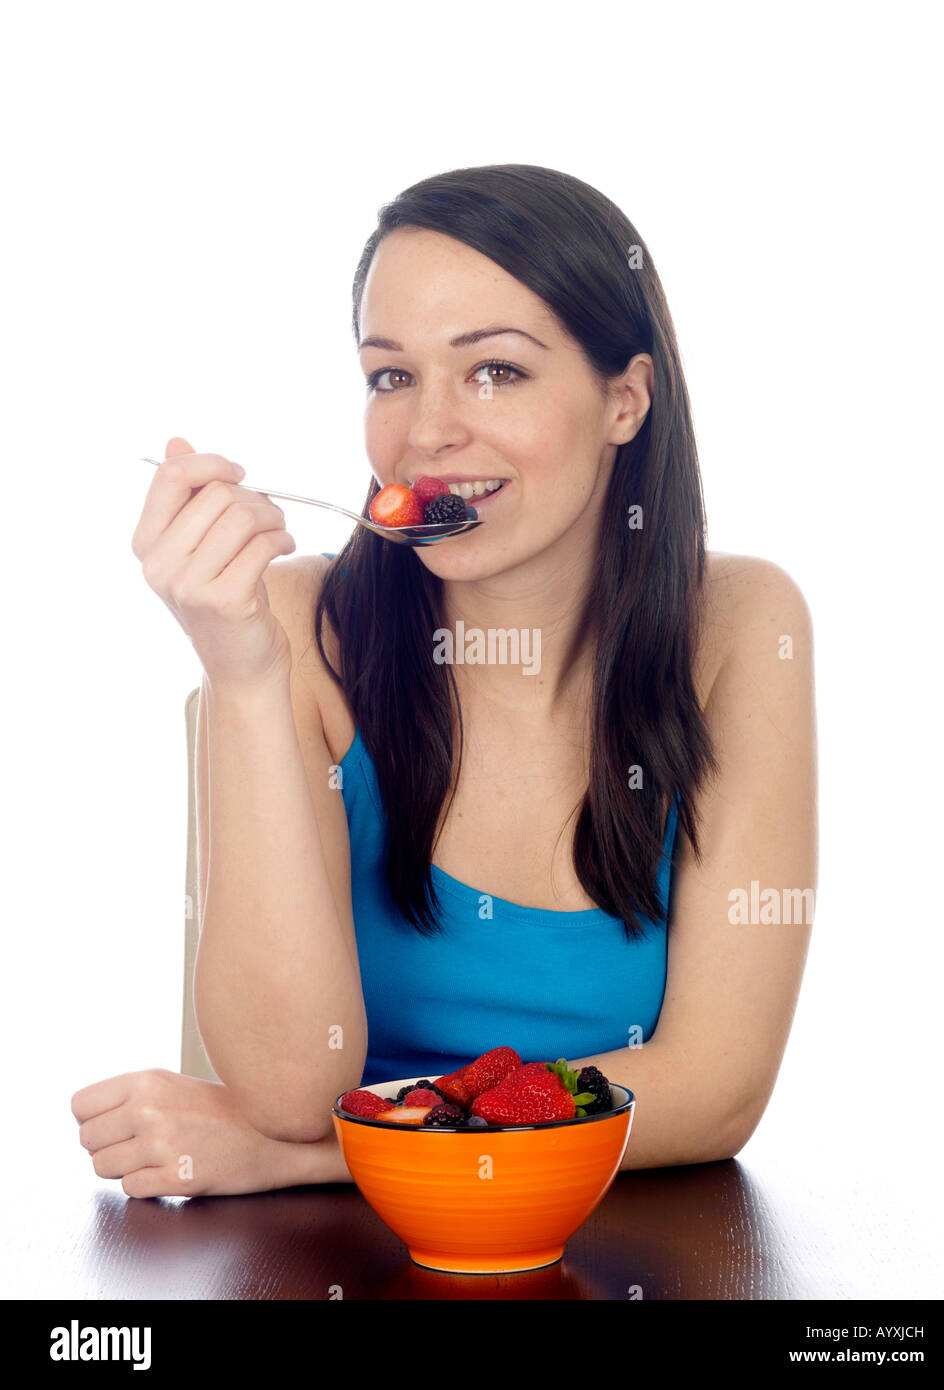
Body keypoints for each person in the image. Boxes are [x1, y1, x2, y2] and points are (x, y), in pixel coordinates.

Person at [71, 165, 816, 1196]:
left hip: (607, 1235)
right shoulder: (290, 625)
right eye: (390, 376)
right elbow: (291, 1088)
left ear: (623, 399)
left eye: (494, 372)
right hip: (351, 1251)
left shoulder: (739, 627)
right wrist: (240, 676)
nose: (424, 433)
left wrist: (313, 1162)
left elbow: (712, 1089)